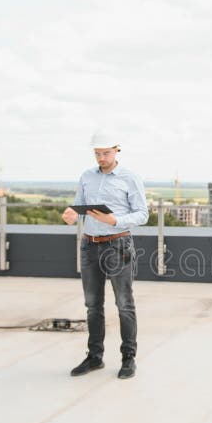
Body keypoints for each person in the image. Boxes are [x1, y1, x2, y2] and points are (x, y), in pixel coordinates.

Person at [62, 129, 149, 379]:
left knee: (124, 304)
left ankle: (128, 359)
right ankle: (94, 357)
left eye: (105, 153)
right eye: (97, 153)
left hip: (117, 245)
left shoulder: (130, 178)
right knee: (92, 306)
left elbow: (142, 214)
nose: (101, 158)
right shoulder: (87, 176)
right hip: (89, 245)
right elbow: (78, 205)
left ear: (116, 150)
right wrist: (71, 213)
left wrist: (115, 220)